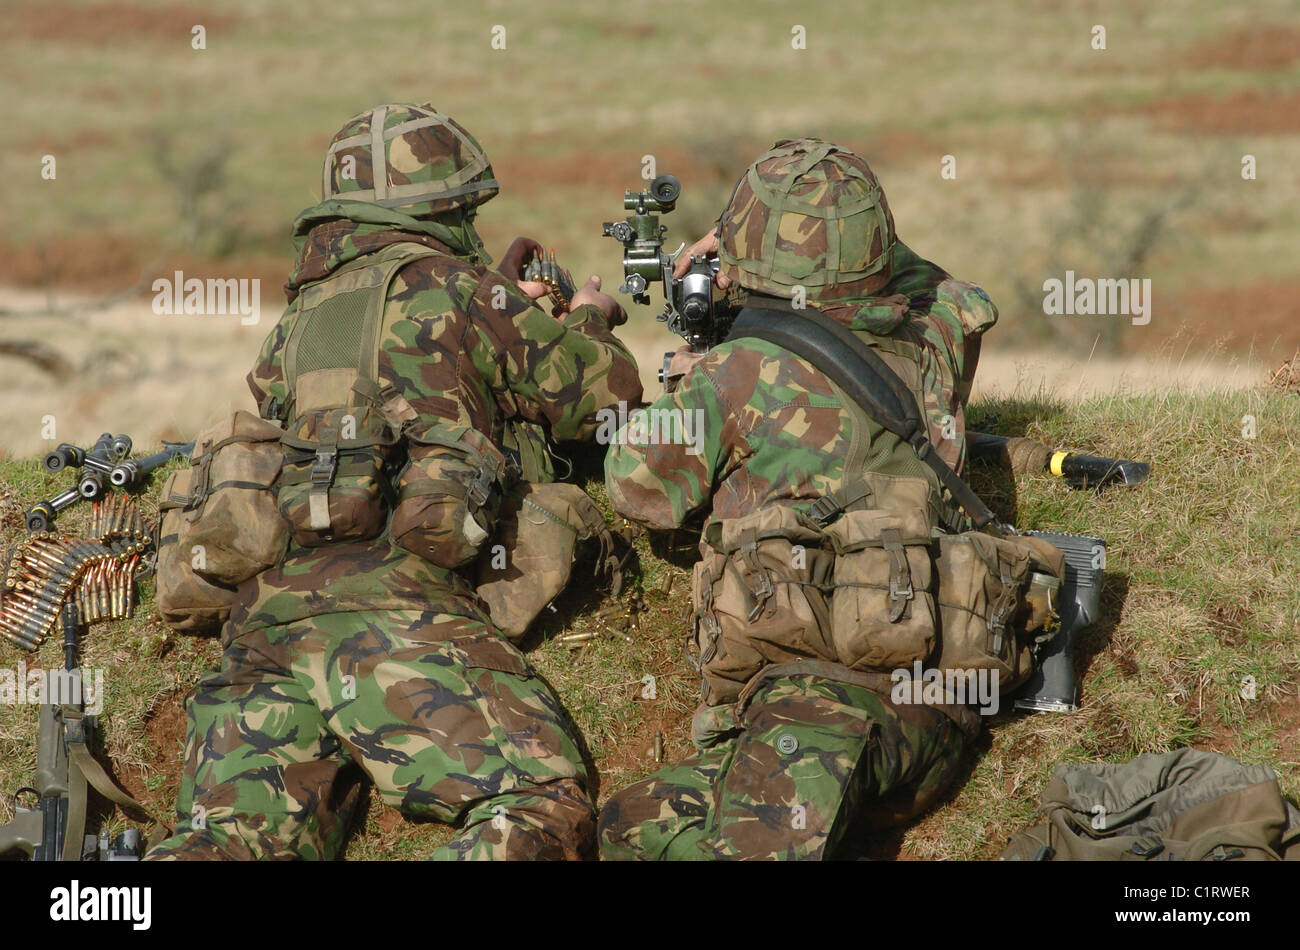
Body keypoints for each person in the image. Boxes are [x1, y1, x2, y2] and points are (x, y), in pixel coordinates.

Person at [146, 103, 642, 861]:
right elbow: (608, 397)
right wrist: (592, 317)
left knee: (225, 845)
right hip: (399, 608)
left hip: (266, 619)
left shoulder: (298, 319)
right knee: (537, 806)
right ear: (444, 210)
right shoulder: (465, 291)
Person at [599, 137, 1004, 860]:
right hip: (940, 709)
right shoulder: (940, 328)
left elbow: (635, 487)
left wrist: (696, 364)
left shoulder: (737, 374)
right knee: (626, 823)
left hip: (821, 701)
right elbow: (941, 287)